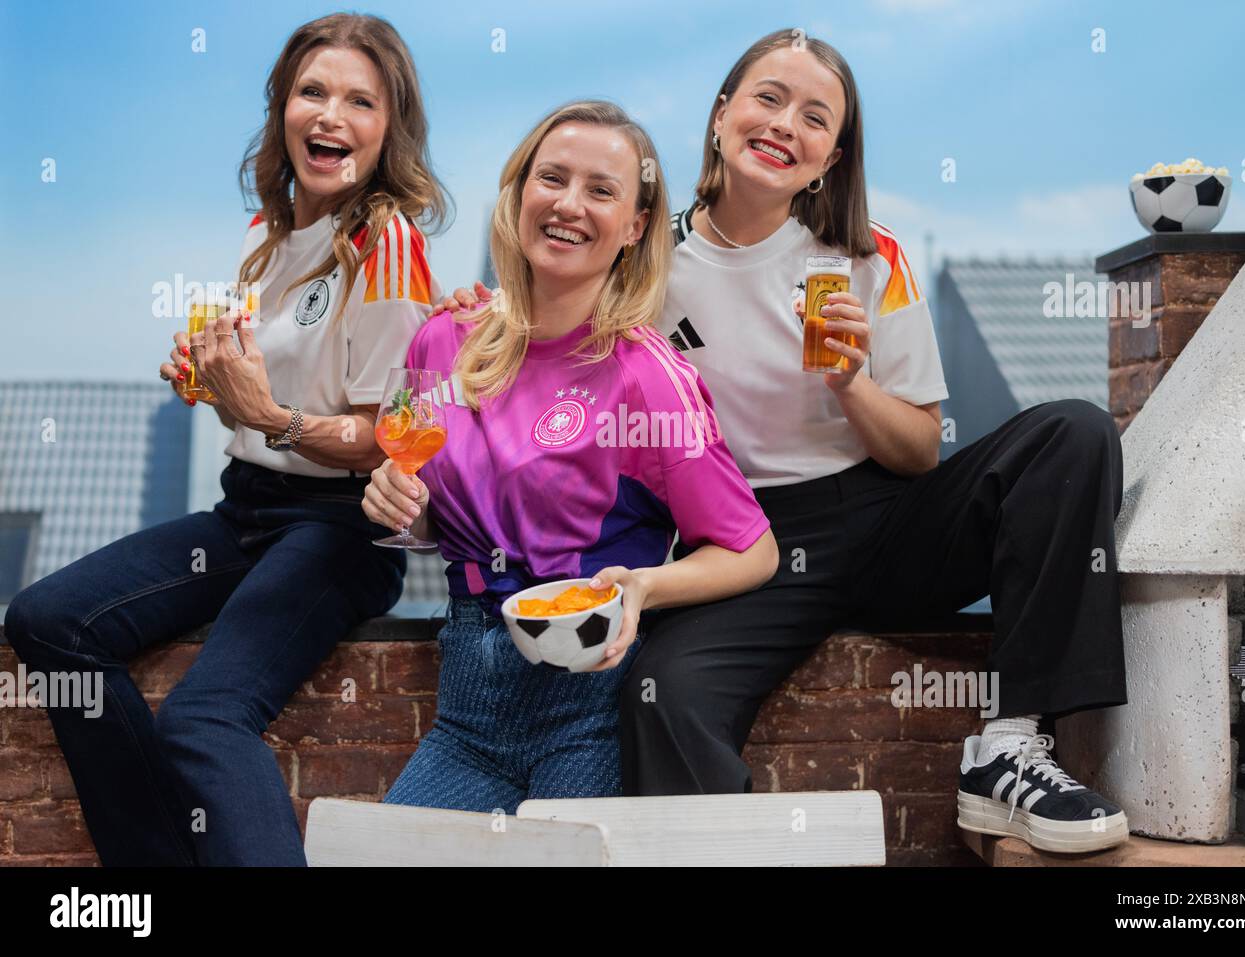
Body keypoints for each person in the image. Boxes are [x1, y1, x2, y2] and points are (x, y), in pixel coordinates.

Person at [441, 30, 1129, 854]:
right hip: (743, 545)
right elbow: (549, 332)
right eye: (768, 97)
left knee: (1074, 433)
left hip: (884, 519)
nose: (784, 124)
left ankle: (1012, 748)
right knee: (662, 693)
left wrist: (850, 384)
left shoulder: (868, 258)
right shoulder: (649, 266)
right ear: (722, 113)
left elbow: (919, 452)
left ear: (832, 156)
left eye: (815, 116)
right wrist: (477, 311)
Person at [3, 13, 449, 866]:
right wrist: (212, 382)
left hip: (339, 528)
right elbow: (256, 396)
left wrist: (267, 413)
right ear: (282, 106)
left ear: (390, 129)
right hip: (246, 511)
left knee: (205, 717)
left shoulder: (386, 242)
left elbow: (385, 439)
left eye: (361, 101)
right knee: (48, 619)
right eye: (312, 91)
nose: (331, 116)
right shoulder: (265, 234)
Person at [364, 100, 777, 813]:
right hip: (464, 714)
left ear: (636, 226)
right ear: (520, 190)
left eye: (602, 190)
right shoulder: (439, 341)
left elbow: (755, 551)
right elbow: (437, 513)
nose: (569, 204)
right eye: (551, 177)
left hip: (591, 716)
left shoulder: (649, 377)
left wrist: (645, 587)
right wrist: (400, 503)